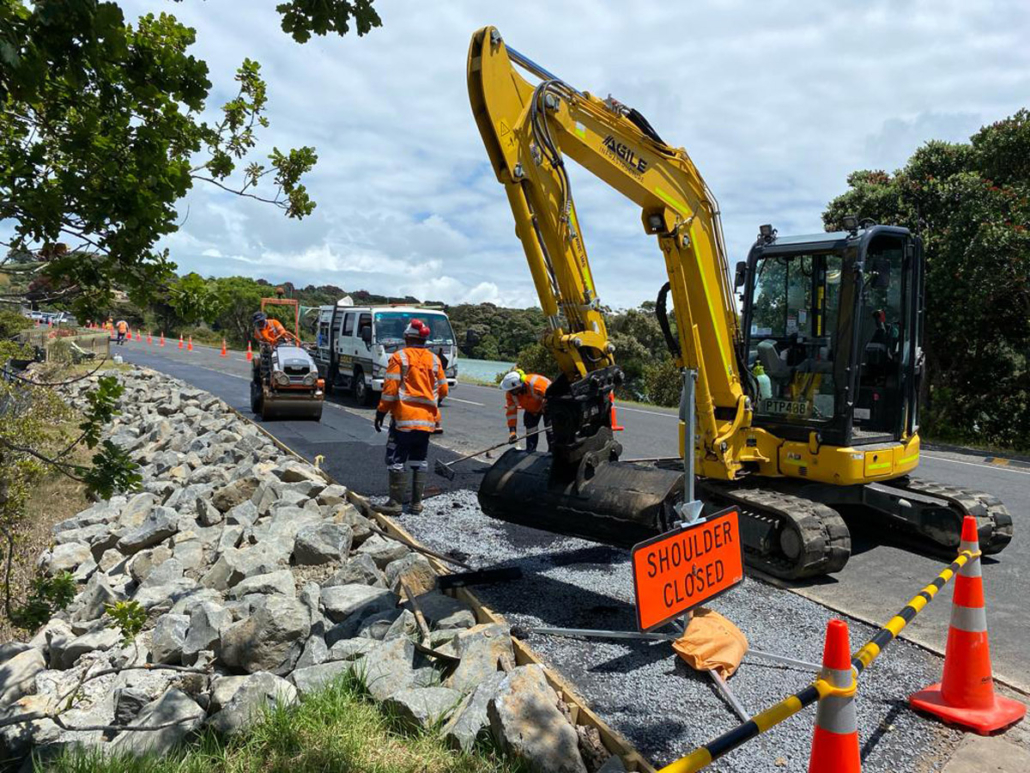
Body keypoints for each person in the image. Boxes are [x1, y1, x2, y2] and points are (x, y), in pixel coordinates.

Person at [373, 319, 448, 515]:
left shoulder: (399, 357)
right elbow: (444, 389)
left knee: (396, 459)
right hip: (427, 422)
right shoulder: (434, 360)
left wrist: (381, 412)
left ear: (407, 338)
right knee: (419, 459)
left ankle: (395, 504)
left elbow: (390, 390)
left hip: (404, 420)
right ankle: (416, 504)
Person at [500, 370, 553, 452]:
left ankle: (553, 454)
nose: (510, 392)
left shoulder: (536, 384)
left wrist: (545, 404)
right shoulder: (511, 395)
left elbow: (553, 394)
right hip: (531, 409)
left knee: (551, 430)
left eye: (512, 390)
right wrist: (512, 432)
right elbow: (511, 413)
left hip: (548, 403)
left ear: (518, 387)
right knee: (530, 428)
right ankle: (530, 452)